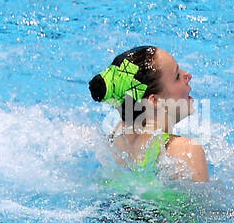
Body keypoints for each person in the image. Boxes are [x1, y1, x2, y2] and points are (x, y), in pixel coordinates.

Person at [89, 45, 209, 182]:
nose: (188, 75)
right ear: (155, 100)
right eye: (177, 76)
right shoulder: (186, 151)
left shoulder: (114, 139)